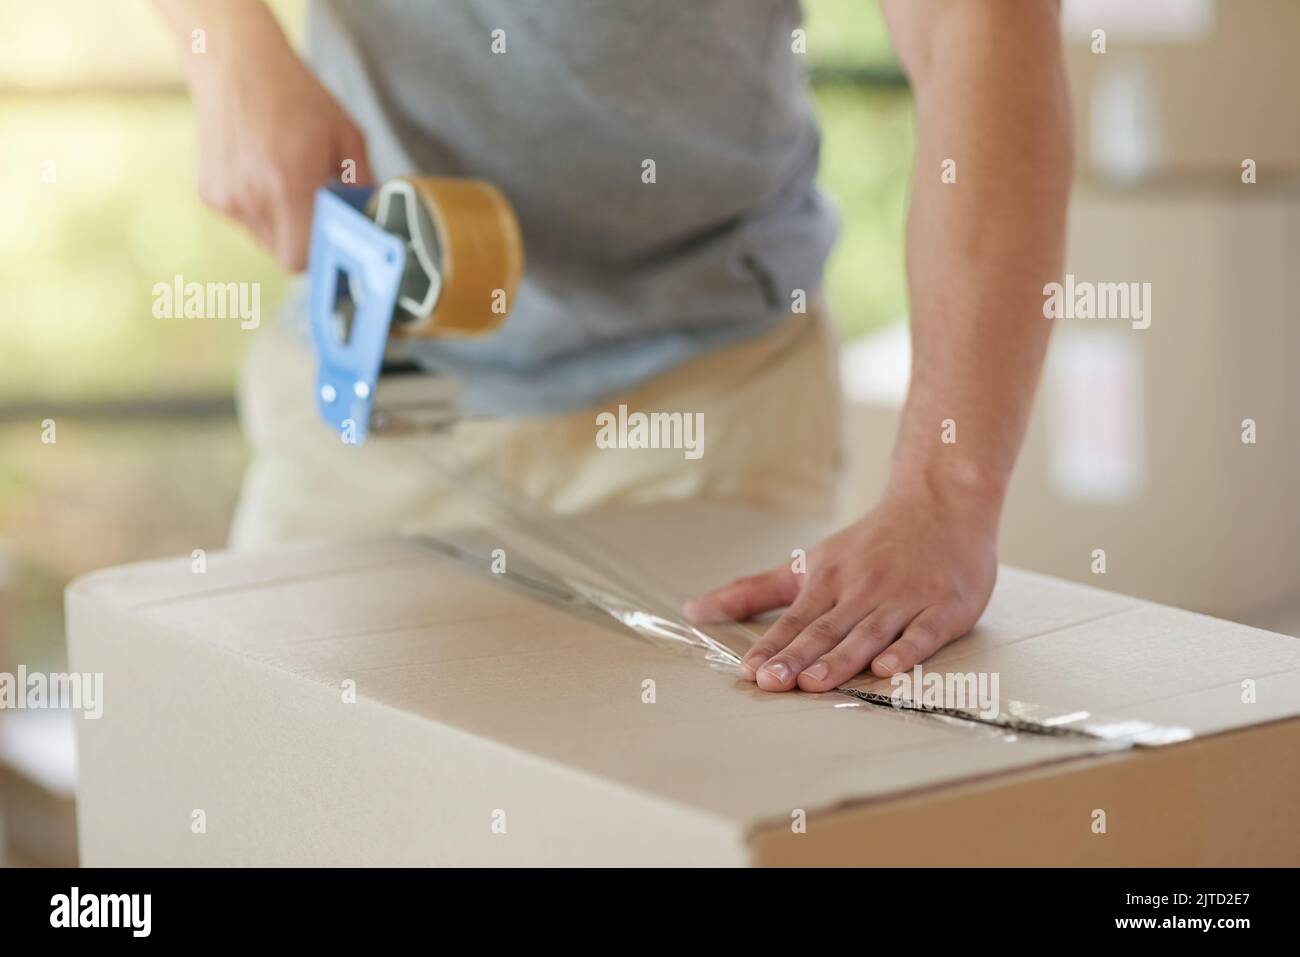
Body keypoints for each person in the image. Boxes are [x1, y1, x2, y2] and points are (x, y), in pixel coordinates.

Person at [151, 0, 1073, 694]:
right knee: (289, 794)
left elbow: (976, 29)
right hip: (377, 380)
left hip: (712, 401)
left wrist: (947, 495)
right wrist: (224, 45)